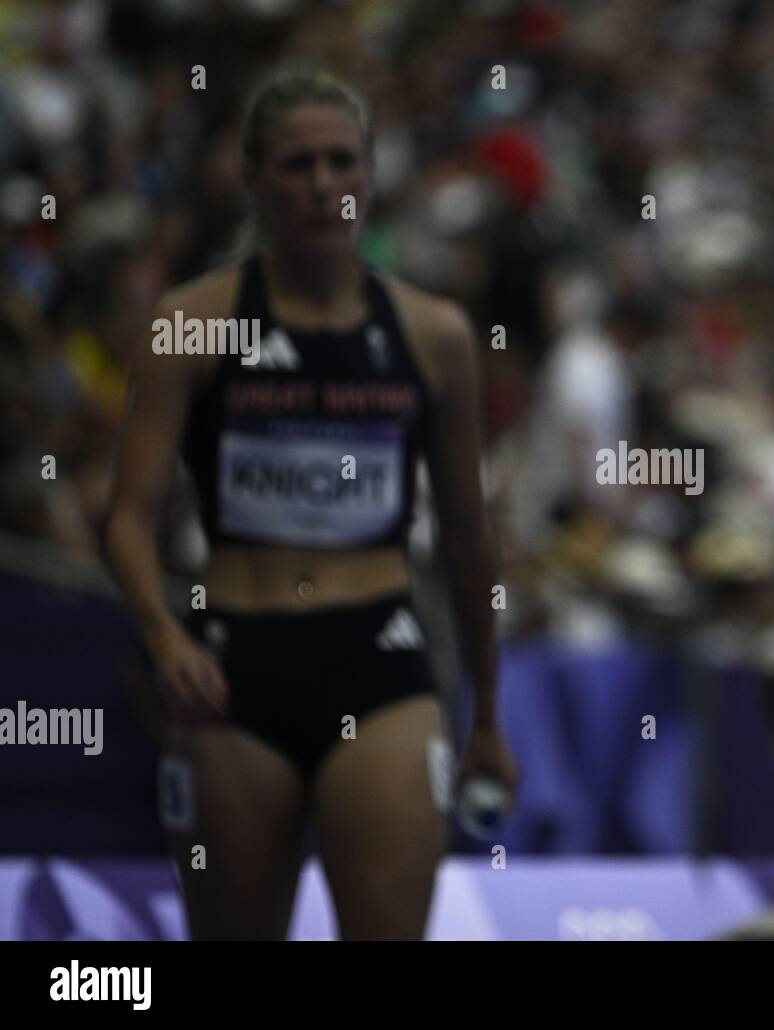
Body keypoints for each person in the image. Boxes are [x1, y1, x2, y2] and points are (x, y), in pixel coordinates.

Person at [102, 69, 517, 940]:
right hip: (232, 670)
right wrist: (163, 636)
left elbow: (469, 543)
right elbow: (128, 520)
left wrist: (487, 716)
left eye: (341, 161)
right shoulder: (192, 324)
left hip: (380, 659)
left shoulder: (432, 335)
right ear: (253, 179)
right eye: (296, 165)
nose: (322, 185)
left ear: (370, 176)